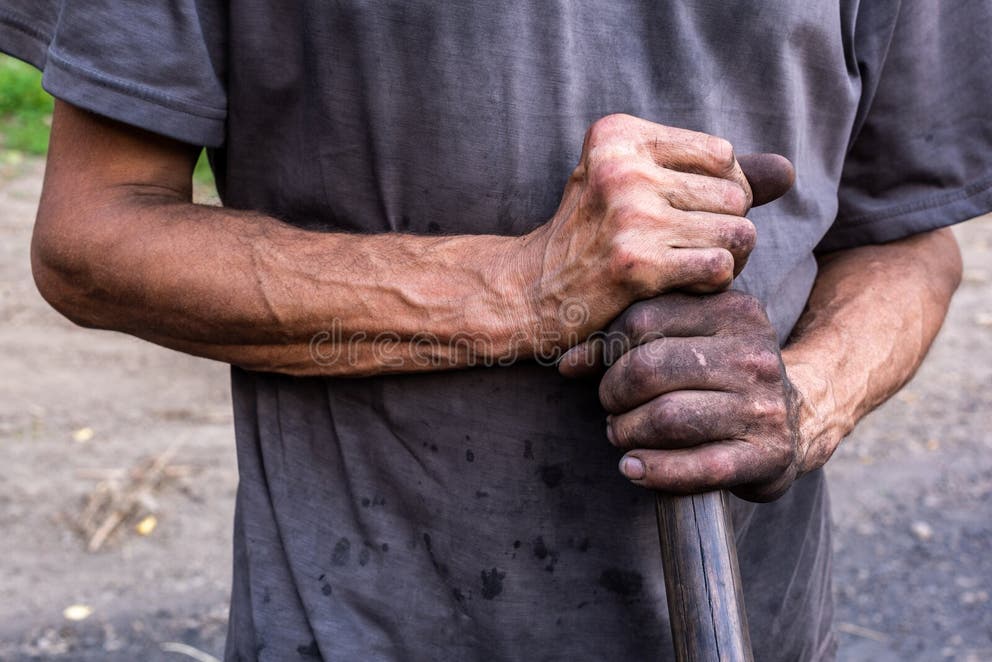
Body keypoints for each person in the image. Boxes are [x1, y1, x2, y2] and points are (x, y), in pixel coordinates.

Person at [2, 1, 989, 659]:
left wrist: (799, 400)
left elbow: (905, 234)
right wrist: (524, 290)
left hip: (764, 626)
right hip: (359, 626)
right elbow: (95, 233)